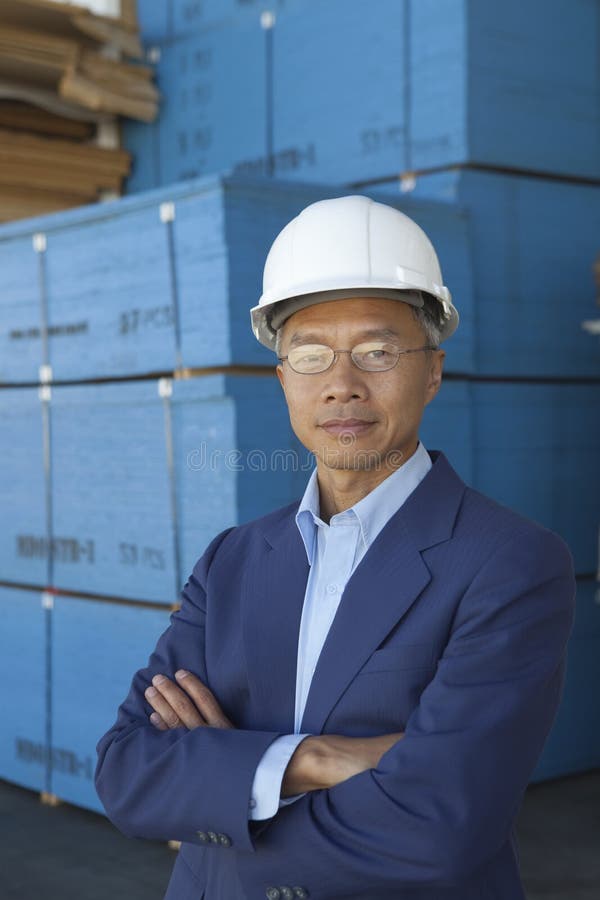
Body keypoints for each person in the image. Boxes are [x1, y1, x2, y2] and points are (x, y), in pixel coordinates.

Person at [95, 195, 576, 900]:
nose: (342, 385)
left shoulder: (509, 564)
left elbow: (440, 825)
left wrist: (226, 790)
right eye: (312, 356)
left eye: (378, 352)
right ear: (283, 379)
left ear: (433, 371)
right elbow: (127, 772)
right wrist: (315, 758)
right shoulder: (232, 561)